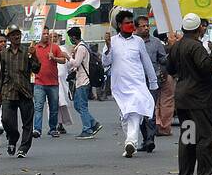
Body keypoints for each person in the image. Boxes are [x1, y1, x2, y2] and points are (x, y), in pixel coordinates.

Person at [166, 14, 212, 175]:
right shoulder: (195, 46)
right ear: (200, 28)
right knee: (206, 137)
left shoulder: (176, 46)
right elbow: (205, 67)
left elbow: (170, 68)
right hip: (199, 100)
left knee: (188, 137)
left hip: (183, 97)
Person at [102, 10, 159, 158]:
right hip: (120, 85)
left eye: (131, 22)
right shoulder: (112, 41)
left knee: (134, 111)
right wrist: (108, 47)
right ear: (119, 25)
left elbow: (146, 62)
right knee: (125, 115)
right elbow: (105, 63)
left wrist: (153, 82)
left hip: (137, 83)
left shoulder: (138, 41)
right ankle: (130, 141)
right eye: (127, 23)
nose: (130, 25)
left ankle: (131, 142)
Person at [0, 25, 40, 159]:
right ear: (9, 37)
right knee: (6, 119)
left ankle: (23, 148)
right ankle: (13, 138)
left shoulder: (27, 51)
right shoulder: (4, 54)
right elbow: (2, 74)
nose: (16, 37)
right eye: (13, 35)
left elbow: (36, 69)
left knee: (27, 122)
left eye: (18, 34)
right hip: (8, 91)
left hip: (25, 91)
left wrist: (34, 55)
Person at [137, 16, 174, 136]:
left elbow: (163, 60)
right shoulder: (133, 42)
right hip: (136, 80)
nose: (146, 28)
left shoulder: (156, 42)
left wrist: (170, 52)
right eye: (143, 26)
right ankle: (142, 132)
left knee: (151, 106)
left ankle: (150, 136)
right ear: (136, 28)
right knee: (139, 107)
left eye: (147, 25)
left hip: (153, 79)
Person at [30, 31, 69, 138]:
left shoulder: (55, 47)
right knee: (38, 107)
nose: (46, 35)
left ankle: (53, 128)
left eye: (47, 33)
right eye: (44, 34)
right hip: (39, 83)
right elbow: (30, 62)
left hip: (53, 83)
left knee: (53, 108)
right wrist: (31, 53)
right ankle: (37, 129)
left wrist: (55, 58)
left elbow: (63, 60)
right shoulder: (35, 48)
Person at [65, 28, 101, 139]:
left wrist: (67, 56)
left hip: (83, 81)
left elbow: (76, 63)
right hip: (80, 80)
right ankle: (93, 123)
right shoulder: (81, 46)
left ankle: (87, 129)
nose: (70, 39)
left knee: (82, 106)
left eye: (70, 37)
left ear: (73, 37)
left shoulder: (81, 48)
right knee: (77, 104)